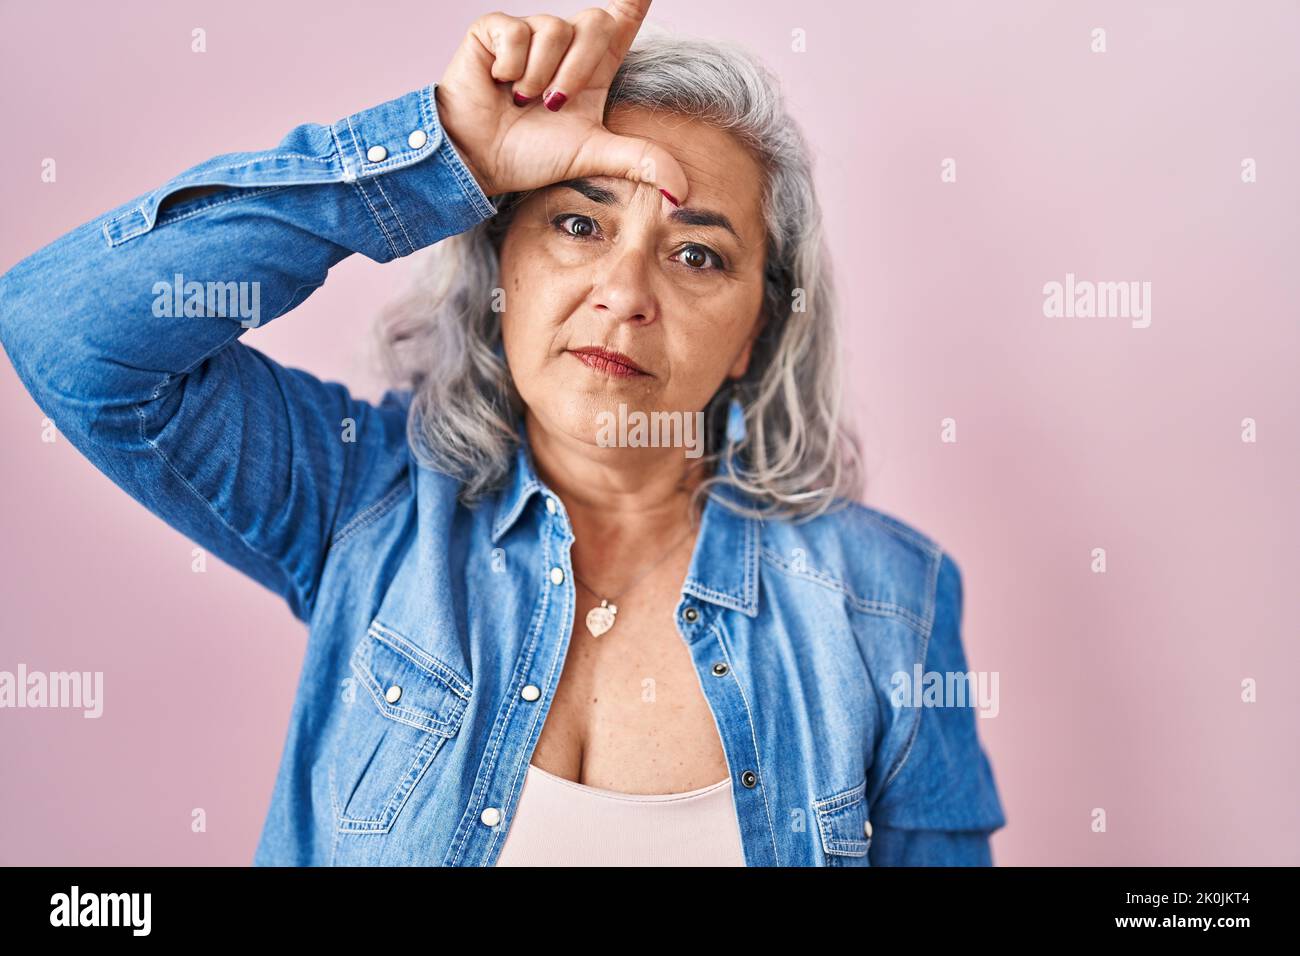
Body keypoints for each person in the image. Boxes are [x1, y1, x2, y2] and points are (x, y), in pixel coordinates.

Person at [0, 0, 1006, 866]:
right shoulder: (365, 496)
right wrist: (444, 153)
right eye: (578, 221)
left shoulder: (890, 601)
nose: (623, 293)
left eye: (696, 254)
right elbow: (65, 331)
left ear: (755, 333)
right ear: (501, 271)